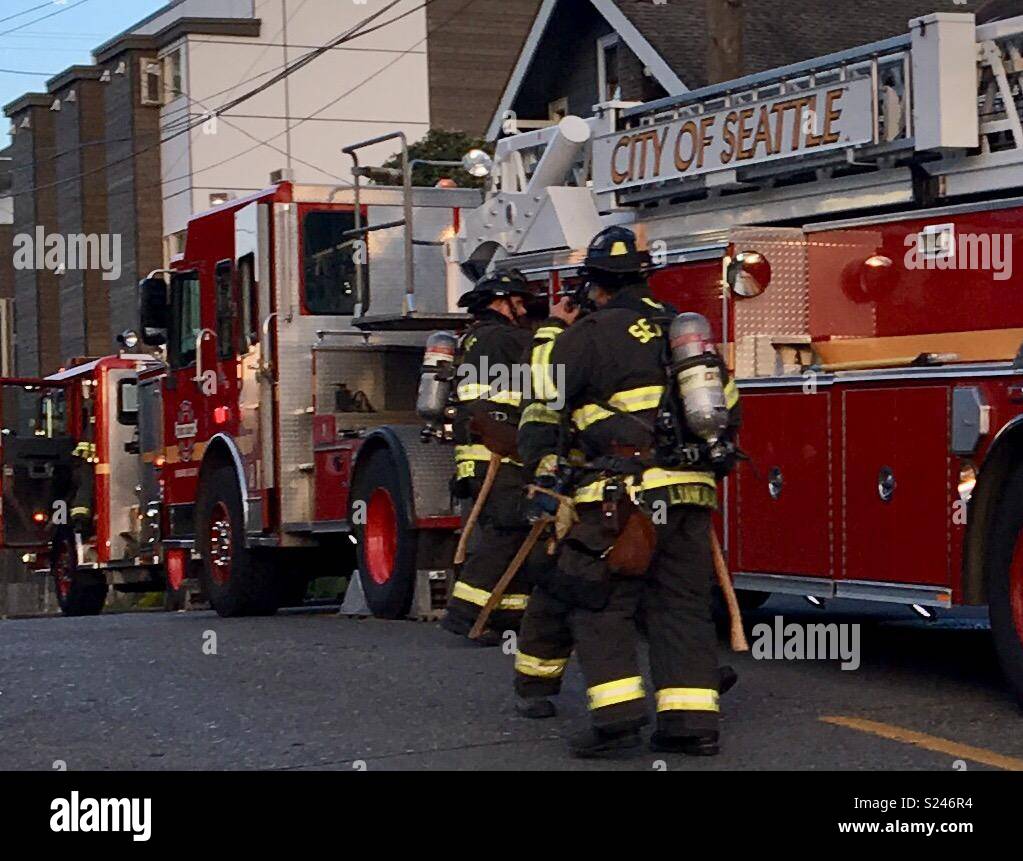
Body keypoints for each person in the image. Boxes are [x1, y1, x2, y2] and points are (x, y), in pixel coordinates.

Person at [517, 226, 741, 758]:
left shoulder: (586, 334)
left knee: (596, 601)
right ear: (644, 276)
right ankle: (692, 725)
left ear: (595, 285)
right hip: (689, 493)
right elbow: (727, 407)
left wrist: (551, 331)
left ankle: (618, 716)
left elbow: (546, 402)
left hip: (619, 498)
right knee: (680, 606)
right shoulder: (683, 331)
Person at [440, 271, 536, 645]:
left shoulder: (476, 338)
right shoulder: (506, 339)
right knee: (508, 530)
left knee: (513, 530)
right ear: (501, 301)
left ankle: (506, 617)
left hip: (479, 457)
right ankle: (464, 613)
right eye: (520, 301)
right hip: (498, 455)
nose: (525, 308)